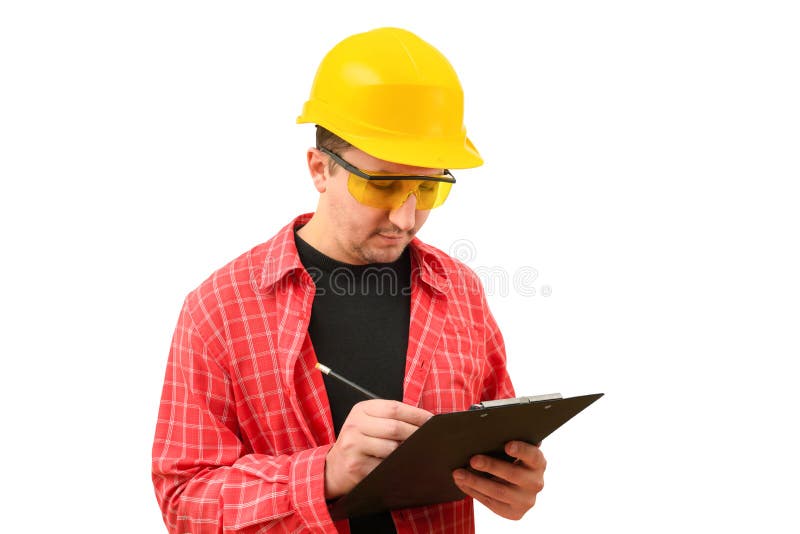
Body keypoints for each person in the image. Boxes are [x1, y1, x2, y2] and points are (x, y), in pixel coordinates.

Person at [152, 27, 546, 533]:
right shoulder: (221, 308)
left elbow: (496, 441)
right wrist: (324, 474)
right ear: (320, 169)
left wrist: (514, 481)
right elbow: (184, 501)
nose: (405, 218)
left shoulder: (461, 292)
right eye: (381, 185)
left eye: (427, 187)